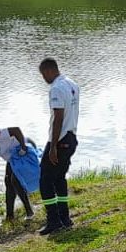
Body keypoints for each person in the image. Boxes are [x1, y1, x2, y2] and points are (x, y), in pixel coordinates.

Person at [38, 58, 80, 235]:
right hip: (71, 136)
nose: (43, 79)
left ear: (48, 71)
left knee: (45, 180)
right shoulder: (72, 84)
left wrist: (53, 146)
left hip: (60, 139)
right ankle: (65, 218)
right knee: (59, 178)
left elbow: (58, 118)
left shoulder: (56, 89)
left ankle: (53, 221)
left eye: (43, 75)